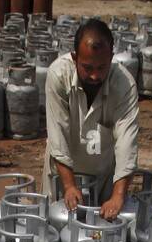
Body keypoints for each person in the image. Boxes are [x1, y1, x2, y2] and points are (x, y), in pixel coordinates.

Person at [44, 18, 141, 220]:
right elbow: (57, 133)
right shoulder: (58, 75)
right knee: (57, 225)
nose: (95, 76)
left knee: (100, 231)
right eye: (87, 68)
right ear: (74, 58)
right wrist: (69, 185)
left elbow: (127, 142)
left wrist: (118, 195)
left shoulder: (124, 85)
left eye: (102, 68)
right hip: (63, 170)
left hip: (102, 171)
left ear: (111, 58)